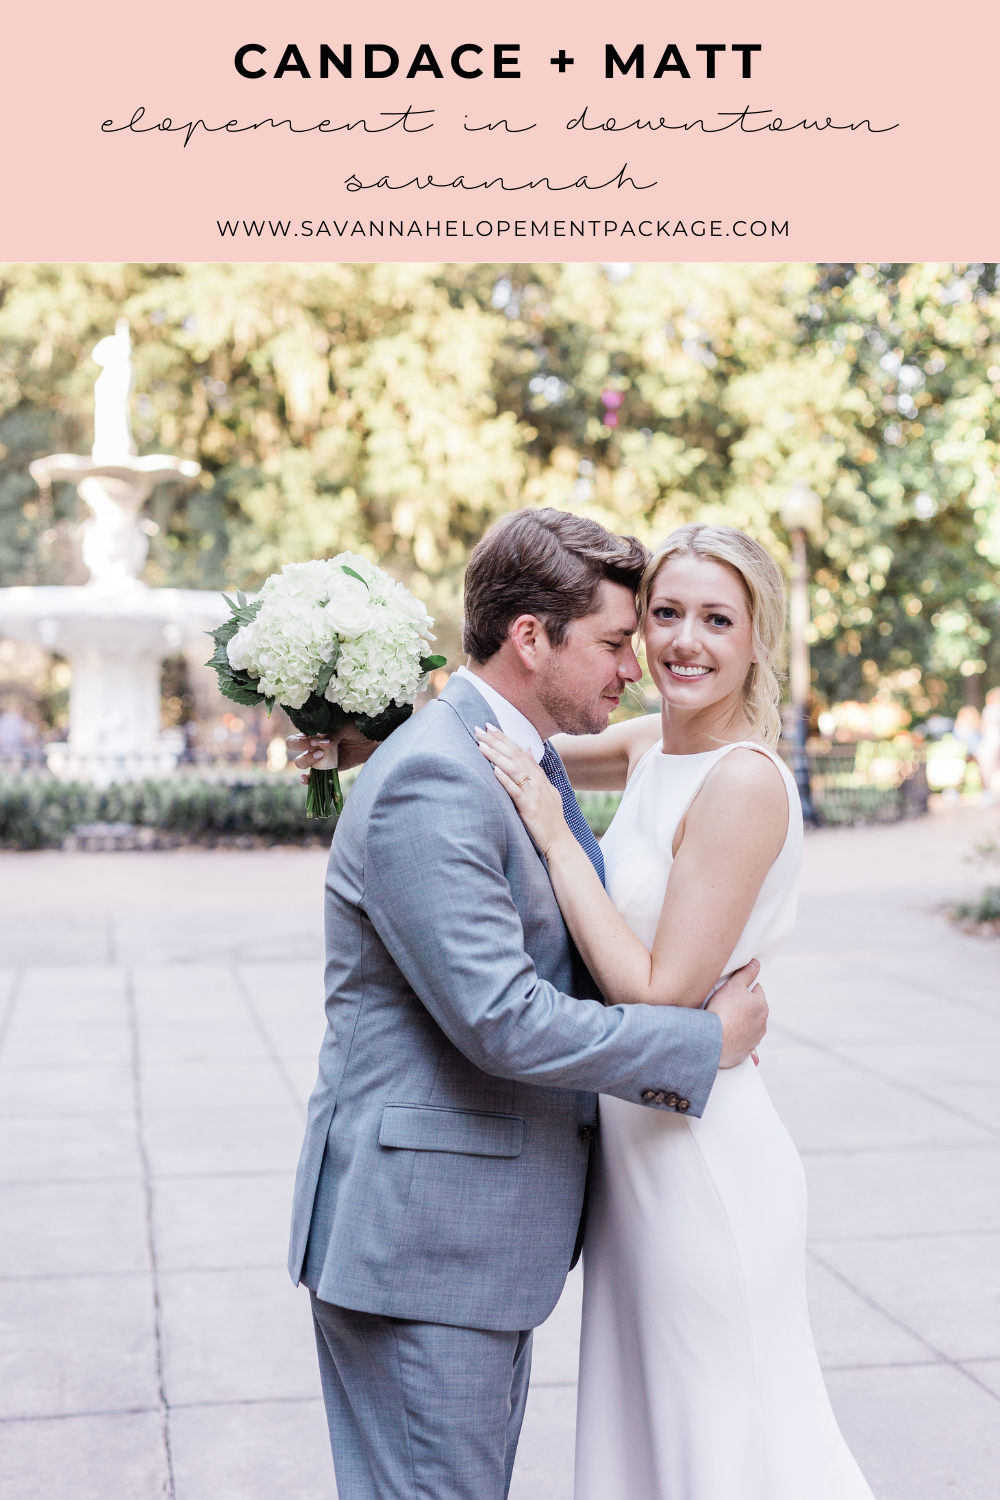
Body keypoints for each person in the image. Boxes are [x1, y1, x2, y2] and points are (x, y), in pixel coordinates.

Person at [286, 509, 768, 1500]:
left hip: (455, 1245)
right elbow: (502, 1019)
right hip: (422, 1247)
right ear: (530, 638)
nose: (631, 666)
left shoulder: (499, 747)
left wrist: (357, 734)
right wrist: (700, 1041)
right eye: (612, 642)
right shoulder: (438, 776)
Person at [477, 522, 874, 1500]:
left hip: (702, 1165)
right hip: (639, 1154)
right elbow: (527, 723)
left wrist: (557, 840)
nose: (683, 642)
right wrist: (361, 725)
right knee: (656, 1441)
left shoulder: (742, 782)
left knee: (735, 1446)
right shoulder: (659, 743)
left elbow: (654, 994)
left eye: (715, 619)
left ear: (756, 639)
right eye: (663, 615)